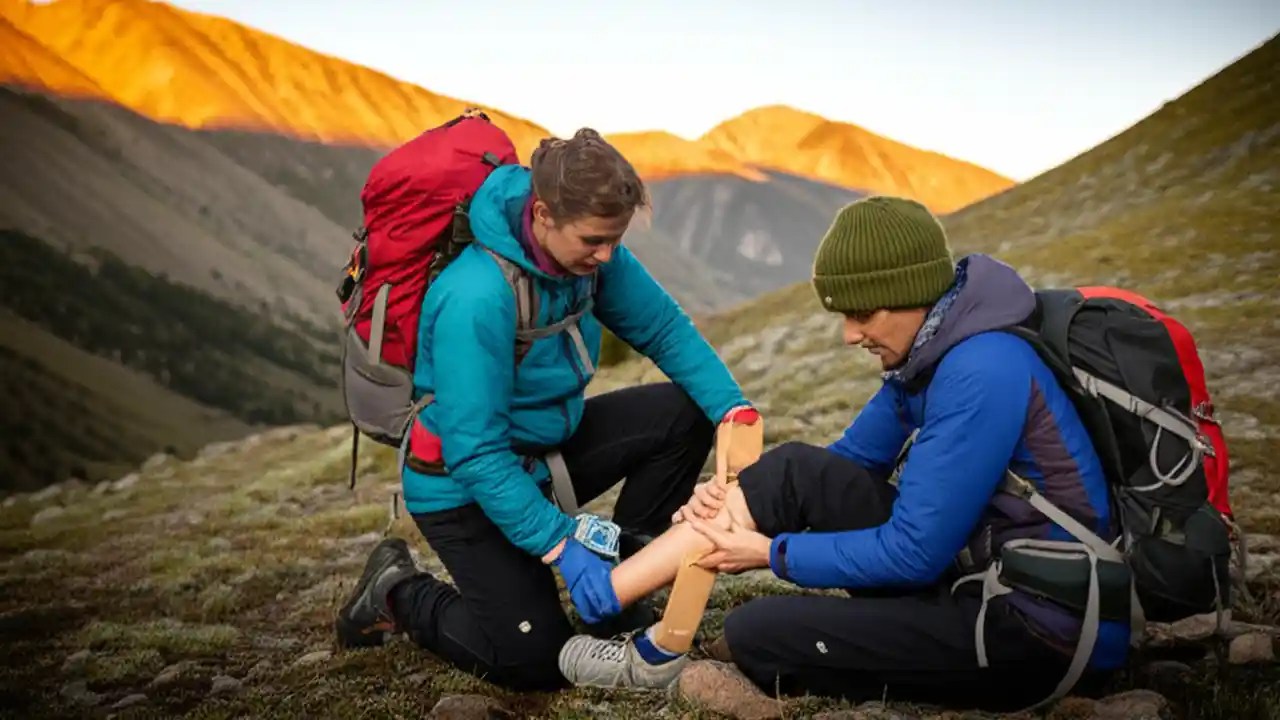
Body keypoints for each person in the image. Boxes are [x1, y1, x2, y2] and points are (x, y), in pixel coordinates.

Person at [557, 196, 1130, 711]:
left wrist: (769, 553)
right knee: (791, 469)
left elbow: (912, 555)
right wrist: (731, 495)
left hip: (1035, 632)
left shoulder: (981, 370)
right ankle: (622, 612)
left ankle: (627, 618)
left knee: (757, 633)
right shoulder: (928, 354)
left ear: (907, 296)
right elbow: (829, 469)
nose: (849, 335)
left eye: (862, 314)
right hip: (977, 575)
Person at [333, 129, 754, 691]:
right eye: (594, 240)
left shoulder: (590, 258)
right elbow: (475, 455)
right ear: (542, 214)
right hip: (462, 487)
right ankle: (394, 590)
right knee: (532, 661)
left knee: (686, 413)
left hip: (543, 453)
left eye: (615, 240)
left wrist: (733, 409)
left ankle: (623, 585)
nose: (607, 255)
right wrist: (560, 543)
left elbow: (662, 329)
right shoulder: (476, 296)